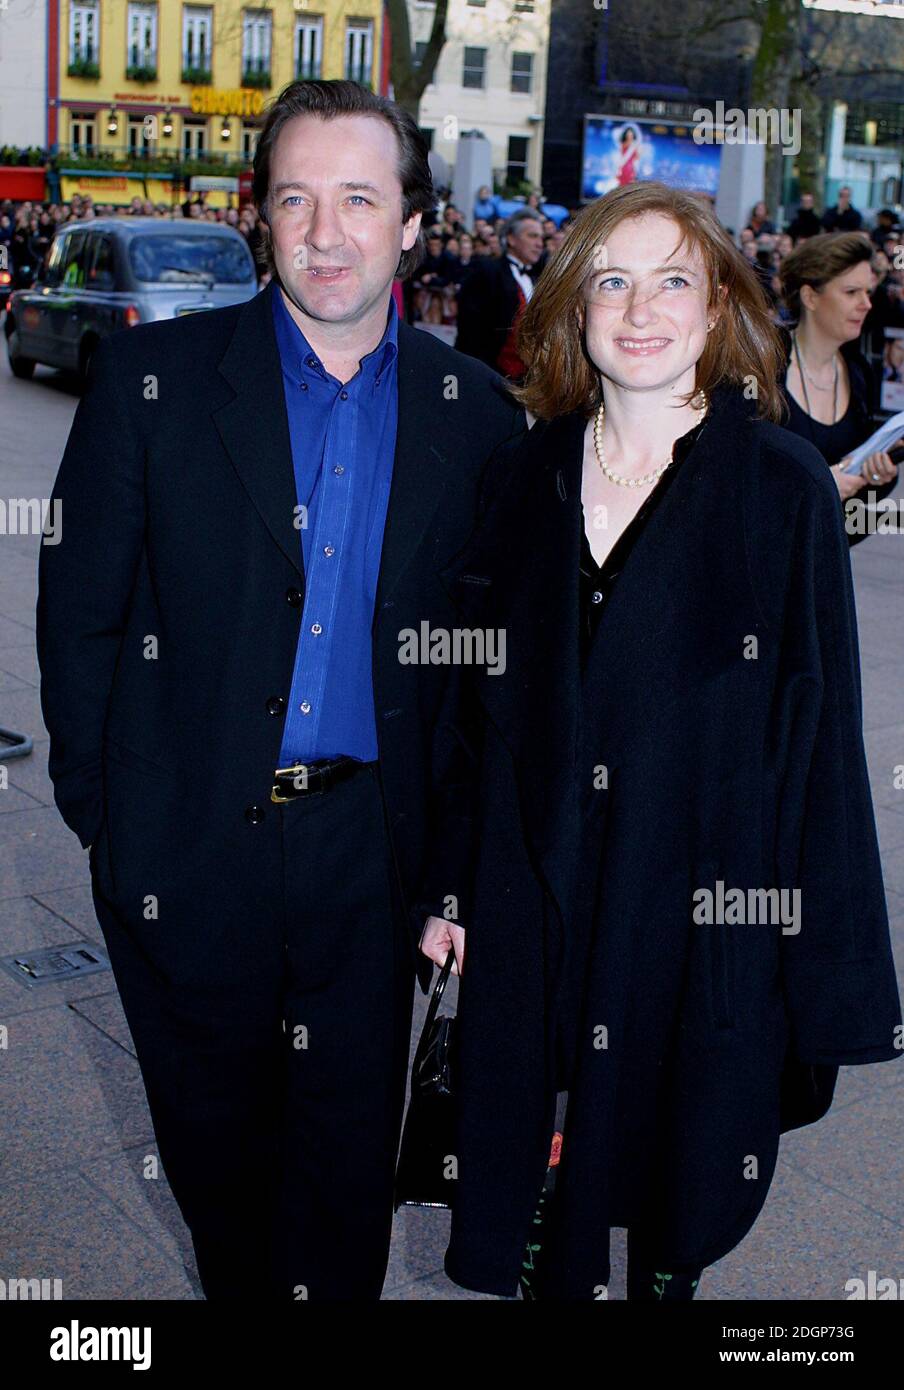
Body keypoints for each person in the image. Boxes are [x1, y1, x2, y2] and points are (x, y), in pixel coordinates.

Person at [35, 78, 524, 1303]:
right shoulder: (154, 385)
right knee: (222, 1172)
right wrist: (111, 818)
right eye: (296, 196)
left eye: (359, 197)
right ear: (261, 215)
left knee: (348, 1174)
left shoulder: (475, 417)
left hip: (374, 856)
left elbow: (483, 682)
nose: (325, 229)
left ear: (412, 221)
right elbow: (79, 618)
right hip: (189, 843)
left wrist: (456, 874)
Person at [418, 180, 902, 1301]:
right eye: (611, 280)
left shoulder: (779, 490)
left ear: (721, 303)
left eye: (672, 279)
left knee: (671, 1209)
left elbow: (821, 740)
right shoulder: (523, 473)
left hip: (692, 911)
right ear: (573, 306)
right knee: (543, 1211)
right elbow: (472, 706)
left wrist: (820, 973)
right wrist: (448, 888)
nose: (640, 309)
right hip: (534, 899)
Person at [779, 232, 901, 545]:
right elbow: (733, 484)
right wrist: (818, 485)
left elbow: (847, 531)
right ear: (810, 297)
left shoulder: (859, 373)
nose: (866, 304)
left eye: (868, 292)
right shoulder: (763, 369)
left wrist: (876, 482)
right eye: (851, 292)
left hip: (823, 579)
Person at [454, 207, 545, 379]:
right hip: (488, 376)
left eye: (541, 237)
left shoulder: (537, 279)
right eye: (532, 236)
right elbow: (470, 327)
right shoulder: (487, 270)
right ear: (511, 239)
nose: (539, 243)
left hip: (526, 381)